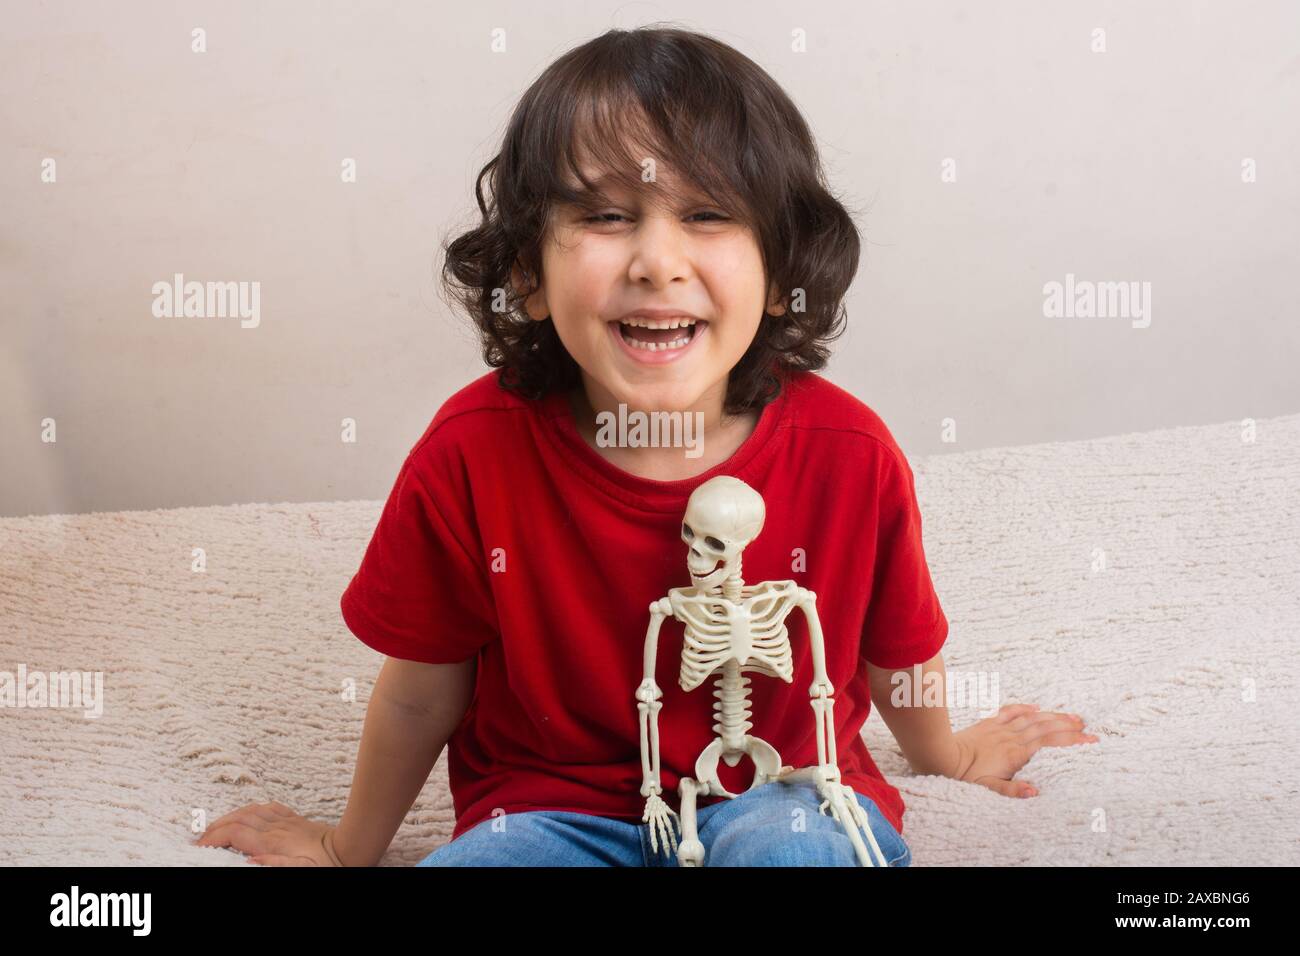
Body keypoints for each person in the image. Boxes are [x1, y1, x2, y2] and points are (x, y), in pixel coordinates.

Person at [196, 24, 1097, 867]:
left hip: (784, 786)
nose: (657, 261)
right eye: (605, 216)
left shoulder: (850, 453)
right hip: (549, 808)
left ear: (782, 271)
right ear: (529, 275)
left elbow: (892, 649)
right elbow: (424, 687)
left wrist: (948, 754)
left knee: (798, 847)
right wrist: (350, 847)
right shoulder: (471, 454)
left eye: (707, 215)